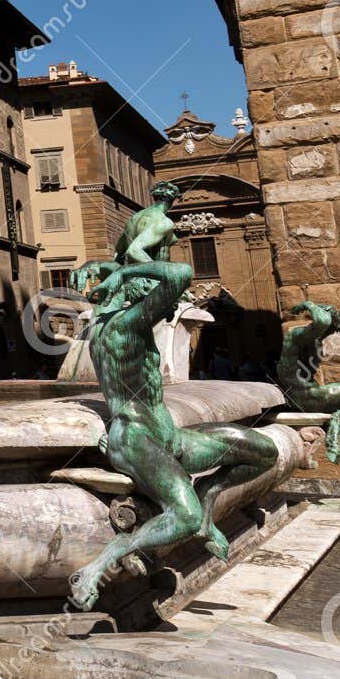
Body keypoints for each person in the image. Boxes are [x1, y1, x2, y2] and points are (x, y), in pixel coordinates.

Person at [67, 256, 276, 611]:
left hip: (169, 437)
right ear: (138, 295)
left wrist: (105, 269)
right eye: (160, 298)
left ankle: (207, 496)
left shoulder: (116, 323)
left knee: (264, 451)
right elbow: (179, 273)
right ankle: (101, 563)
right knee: (185, 517)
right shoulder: (125, 327)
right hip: (136, 438)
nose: (170, 308)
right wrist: (122, 272)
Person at [277, 302, 340, 463]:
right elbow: (322, 321)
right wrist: (308, 304)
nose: (327, 332)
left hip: (305, 393)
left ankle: (338, 419)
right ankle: (337, 420)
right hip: (304, 396)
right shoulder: (296, 335)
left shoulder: (313, 341)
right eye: (329, 328)